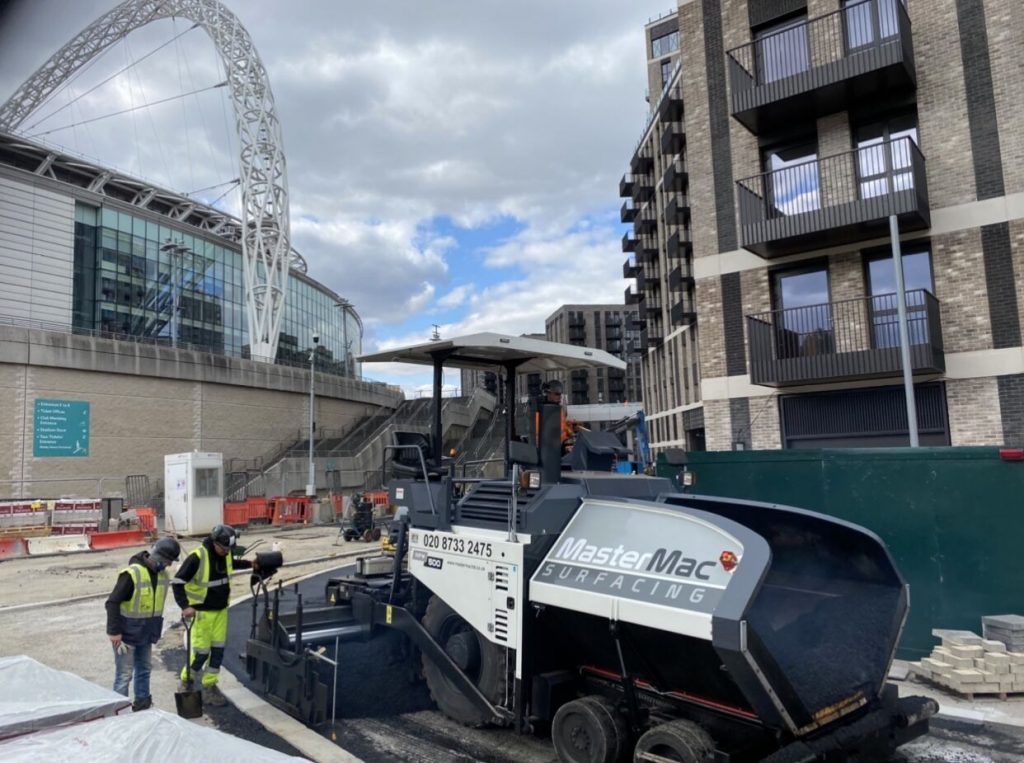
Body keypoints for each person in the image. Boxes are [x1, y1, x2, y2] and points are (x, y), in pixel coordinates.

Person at [171, 524, 256, 706]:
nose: (226, 552)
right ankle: (187, 681)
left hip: (220, 612)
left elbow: (233, 563)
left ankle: (210, 687)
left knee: (217, 652)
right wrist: (185, 606)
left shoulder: (225, 555)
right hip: (201, 614)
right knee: (201, 653)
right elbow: (177, 582)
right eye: (224, 548)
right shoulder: (197, 558)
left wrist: (251, 564)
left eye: (228, 550)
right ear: (215, 543)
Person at [105, 536, 182, 712]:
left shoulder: (163, 575)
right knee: (124, 675)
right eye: (168, 561)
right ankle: (119, 711)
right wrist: (114, 632)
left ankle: (142, 704)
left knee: (144, 669)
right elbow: (112, 603)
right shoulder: (132, 574)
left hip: (146, 633)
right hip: (126, 635)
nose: (169, 565)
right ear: (159, 556)